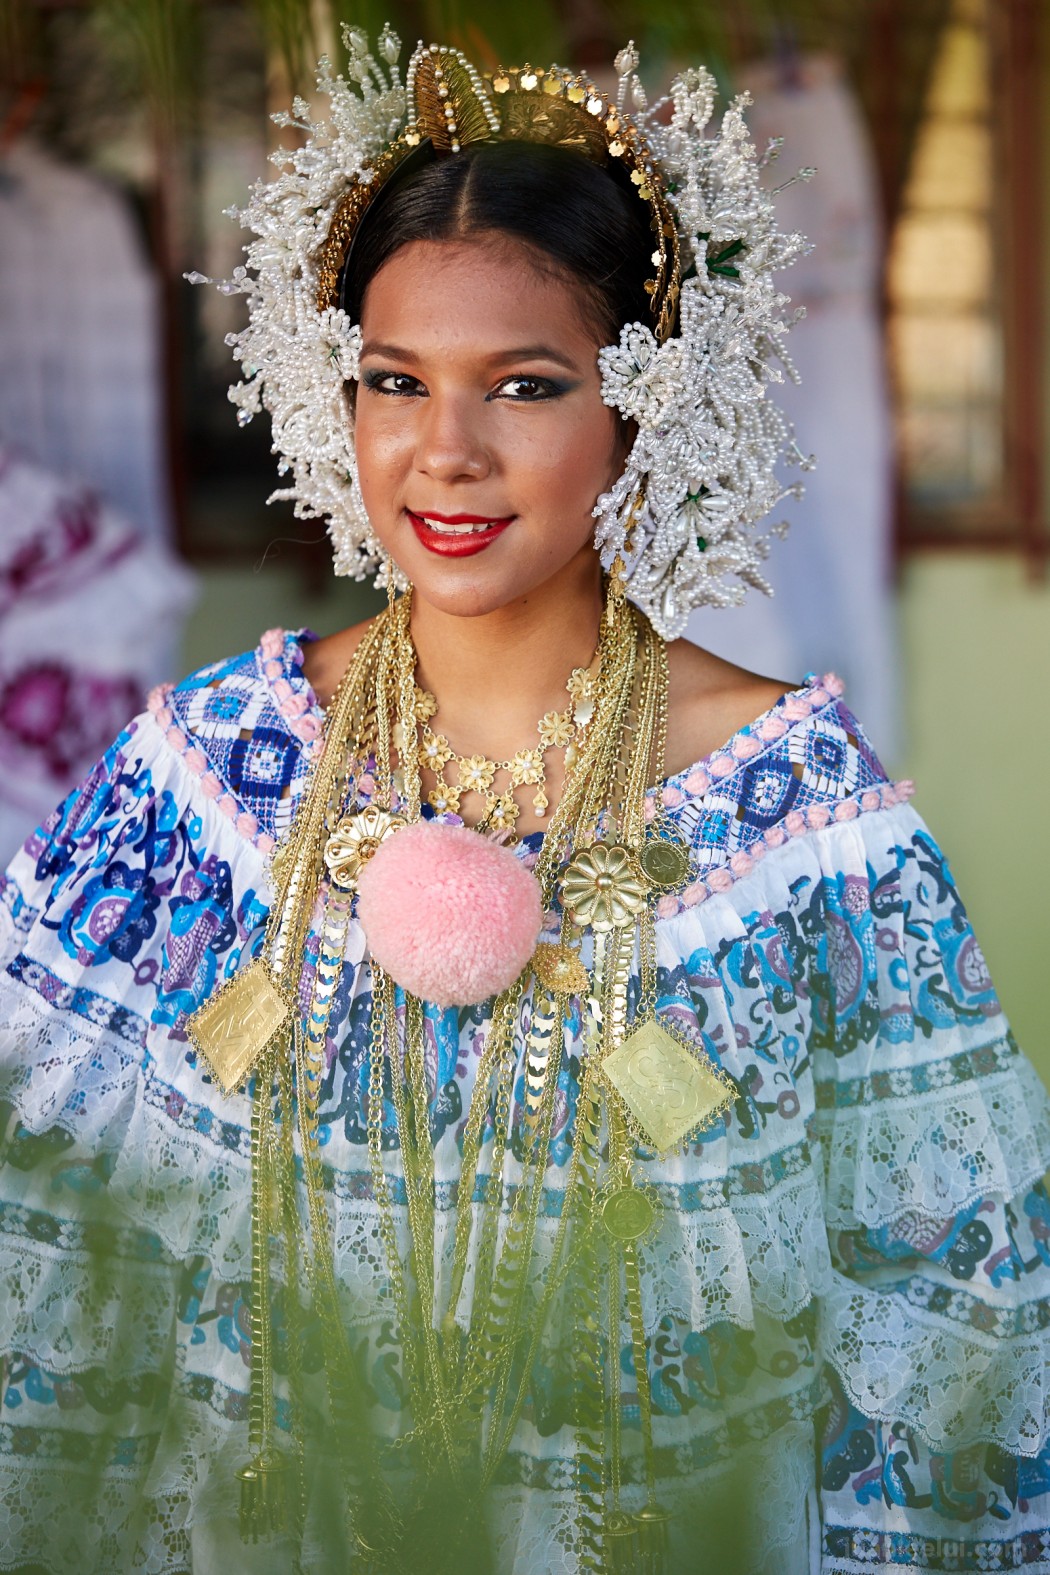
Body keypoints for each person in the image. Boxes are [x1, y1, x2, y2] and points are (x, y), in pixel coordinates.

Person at [1, 29, 1049, 1575]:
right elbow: (46, 1264)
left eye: (527, 385)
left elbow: (950, 1340)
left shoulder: (802, 827)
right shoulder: (198, 789)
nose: (445, 449)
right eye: (393, 380)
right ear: (329, 391)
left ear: (644, 408)